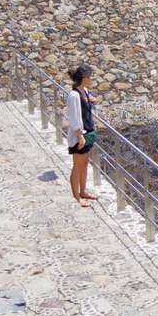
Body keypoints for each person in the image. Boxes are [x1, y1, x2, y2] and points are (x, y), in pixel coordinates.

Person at [66, 64, 100, 208]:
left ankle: (83, 191)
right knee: (77, 167)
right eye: (91, 76)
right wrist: (80, 137)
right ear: (85, 78)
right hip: (80, 136)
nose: (92, 79)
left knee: (85, 164)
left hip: (88, 132)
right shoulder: (74, 95)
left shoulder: (84, 91)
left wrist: (92, 100)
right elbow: (73, 118)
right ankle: (77, 197)